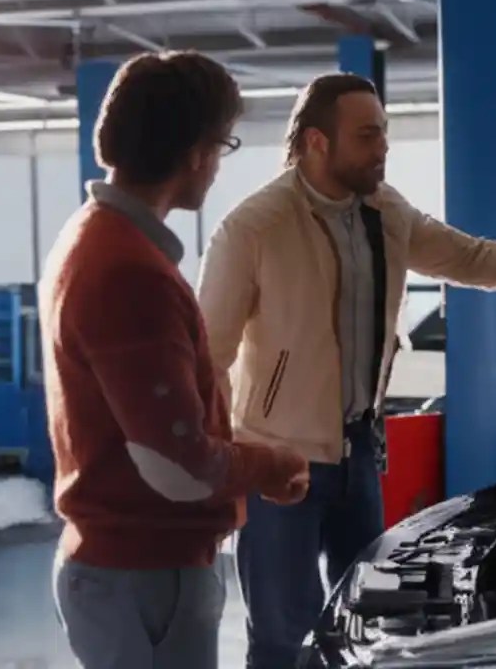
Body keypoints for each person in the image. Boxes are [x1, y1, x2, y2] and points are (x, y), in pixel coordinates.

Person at [196, 72, 496, 667]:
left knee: (366, 624)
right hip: (279, 461)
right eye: (367, 136)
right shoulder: (254, 227)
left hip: (359, 453)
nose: (382, 148)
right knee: (284, 635)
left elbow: (473, 258)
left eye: (384, 133)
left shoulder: (384, 211)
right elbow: (209, 358)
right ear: (316, 142)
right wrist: (227, 471)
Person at [39, 50, 311, 669]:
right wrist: (269, 462)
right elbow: (177, 466)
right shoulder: (131, 271)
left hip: (121, 568)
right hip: (145, 575)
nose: (217, 164)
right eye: (223, 145)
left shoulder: (89, 237)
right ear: (195, 153)